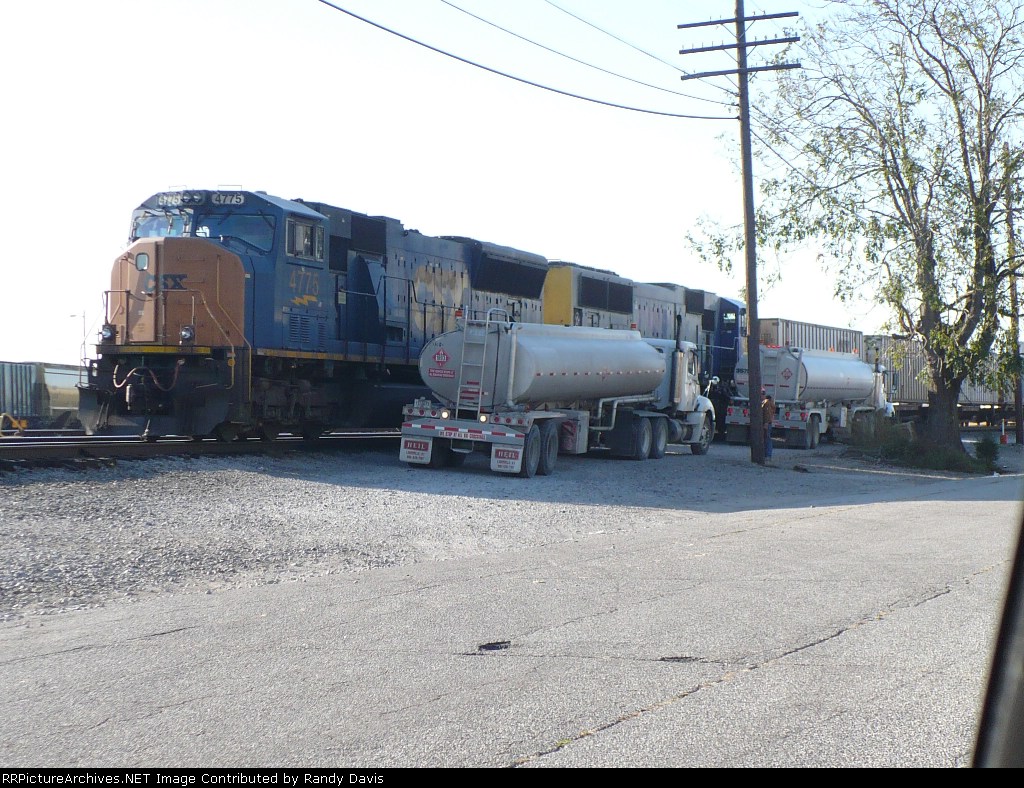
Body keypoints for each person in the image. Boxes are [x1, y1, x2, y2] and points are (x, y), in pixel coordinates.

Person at [761, 389, 775, 461]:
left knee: (767, 439)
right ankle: (765, 454)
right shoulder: (765, 402)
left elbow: (767, 413)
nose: (761, 396)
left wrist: (766, 423)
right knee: (765, 439)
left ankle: (768, 455)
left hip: (766, 423)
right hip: (765, 423)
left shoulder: (766, 403)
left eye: (762, 394)